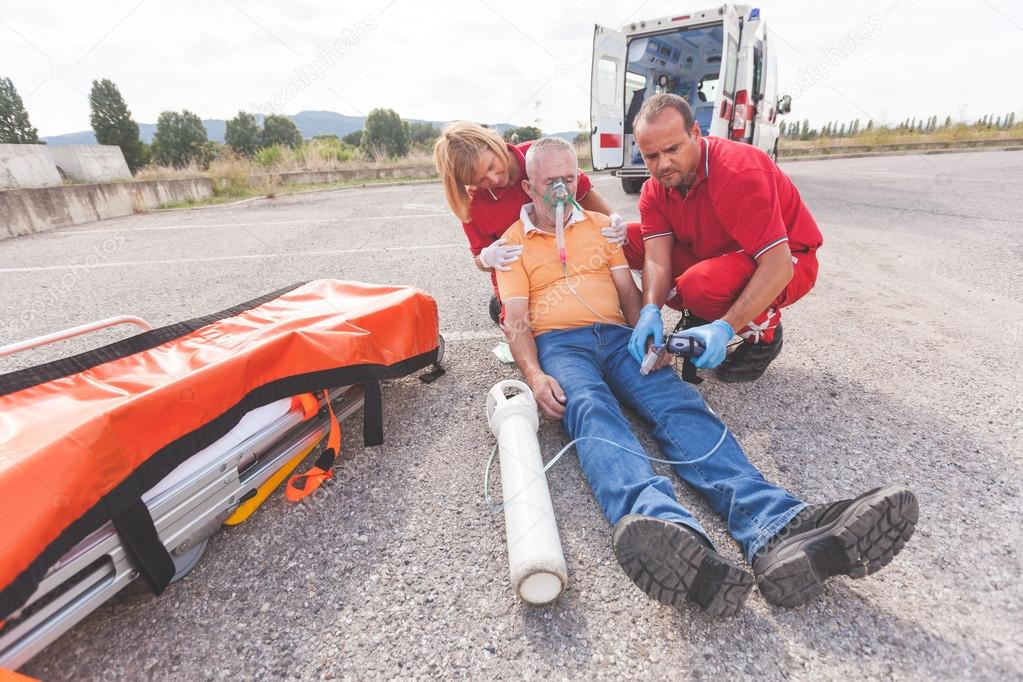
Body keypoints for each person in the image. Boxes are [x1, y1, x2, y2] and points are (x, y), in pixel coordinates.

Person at [498, 136, 917, 614]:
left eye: (569, 178)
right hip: (560, 343)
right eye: (549, 181)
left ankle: (776, 525)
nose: (560, 189)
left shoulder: (599, 228)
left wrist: (647, 334)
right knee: (591, 411)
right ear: (528, 186)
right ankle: (667, 532)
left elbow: (627, 292)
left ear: (579, 179)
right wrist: (533, 374)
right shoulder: (510, 247)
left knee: (677, 402)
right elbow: (516, 321)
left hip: (616, 336)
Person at [626, 94, 824, 382]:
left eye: (672, 149)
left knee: (700, 286)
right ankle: (705, 309)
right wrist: (649, 310)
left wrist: (726, 327)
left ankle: (764, 335)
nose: (663, 165)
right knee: (627, 240)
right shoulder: (654, 190)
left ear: (695, 133)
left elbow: (778, 265)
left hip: (789, 260)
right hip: (724, 255)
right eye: (651, 156)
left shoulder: (737, 172)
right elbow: (656, 260)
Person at [433, 122, 626, 324]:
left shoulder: (539, 156)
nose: (493, 179)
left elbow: (585, 193)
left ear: (494, 143)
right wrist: (487, 259)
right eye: (479, 180)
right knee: (528, 325)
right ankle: (500, 306)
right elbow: (479, 257)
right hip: (527, 278)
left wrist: (613, 218)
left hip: (573, 255)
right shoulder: (472, 204)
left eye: (491, 166)